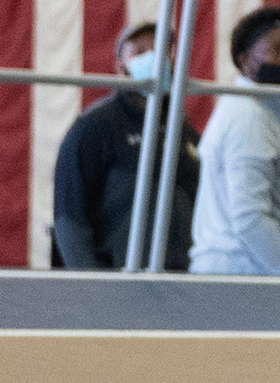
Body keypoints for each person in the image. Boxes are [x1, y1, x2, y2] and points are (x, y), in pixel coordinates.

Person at [51, 21, 200, 270]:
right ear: (121, 67)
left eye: (162, 49)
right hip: (119, 282)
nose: (154, 57)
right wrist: (94, 285)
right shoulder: (93, 128)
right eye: (140, 51)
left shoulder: (184, 131)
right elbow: (69, 220)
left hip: (181, 280)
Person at [189, 6, 280, 275]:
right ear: (244, 60)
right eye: (277, 51)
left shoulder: (263, 113)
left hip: (246, 272)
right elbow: (250, 217)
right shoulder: (248, 117)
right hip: (242, 275)